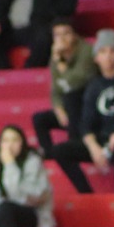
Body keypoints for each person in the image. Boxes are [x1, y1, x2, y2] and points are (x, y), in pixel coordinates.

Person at [46, 29, 114, 194]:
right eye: (103, 52)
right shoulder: (94, 85)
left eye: (112, 51)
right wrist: (94, 148)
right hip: (106, 139)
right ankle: (86, 193)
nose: (108, 56)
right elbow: (86, 123)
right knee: (59, 150)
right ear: (96, 58)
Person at [33, 19, 95, 155]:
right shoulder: (56, 56)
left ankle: (74, 148)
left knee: (71, 98)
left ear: (74, 35)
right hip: (69, 107)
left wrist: (60, 63)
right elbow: (55, 89)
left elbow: (75, 82)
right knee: (39, 119)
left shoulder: (86, 51)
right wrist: (59, 109)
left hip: (86, 104)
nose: (62, 39)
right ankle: (49, 154)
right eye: (57, 35)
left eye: (66, 33)